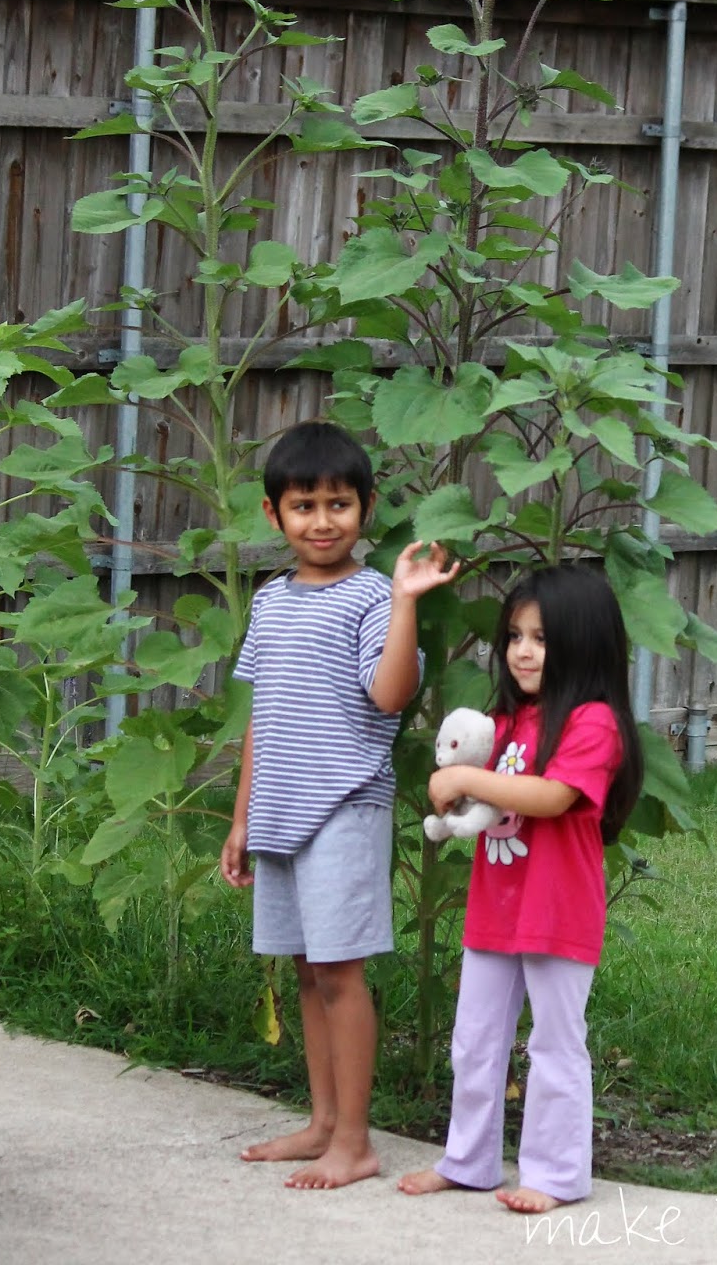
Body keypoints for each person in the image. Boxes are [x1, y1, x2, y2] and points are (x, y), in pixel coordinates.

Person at [220, 418, 458, 1190]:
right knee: (305, 971)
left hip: (343, 807)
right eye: (303, 506)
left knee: (340, 973)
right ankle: (322, 1123)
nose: (322, 522)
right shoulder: (269, 602)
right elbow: (266, 715)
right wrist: (242, 816)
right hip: (282, 813)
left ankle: (353, 1140)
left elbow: (390, 696)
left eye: (338, 505)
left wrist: (404, 602)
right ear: (272, 515)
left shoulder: (369, 597)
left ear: (367, 507)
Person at [399, 563, 643, 1214]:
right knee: (474, 1038)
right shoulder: (507, 722)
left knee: (554, 1044)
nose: (523, 650)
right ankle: (468, 1160)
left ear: (585, 642)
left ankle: (555, 1173)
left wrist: (468, 784)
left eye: (541, 636)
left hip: (557, 910)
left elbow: (551, 795)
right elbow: (484, 790)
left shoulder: (592, 723)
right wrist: (453, 781)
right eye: (513, 636)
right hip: (496, 905)